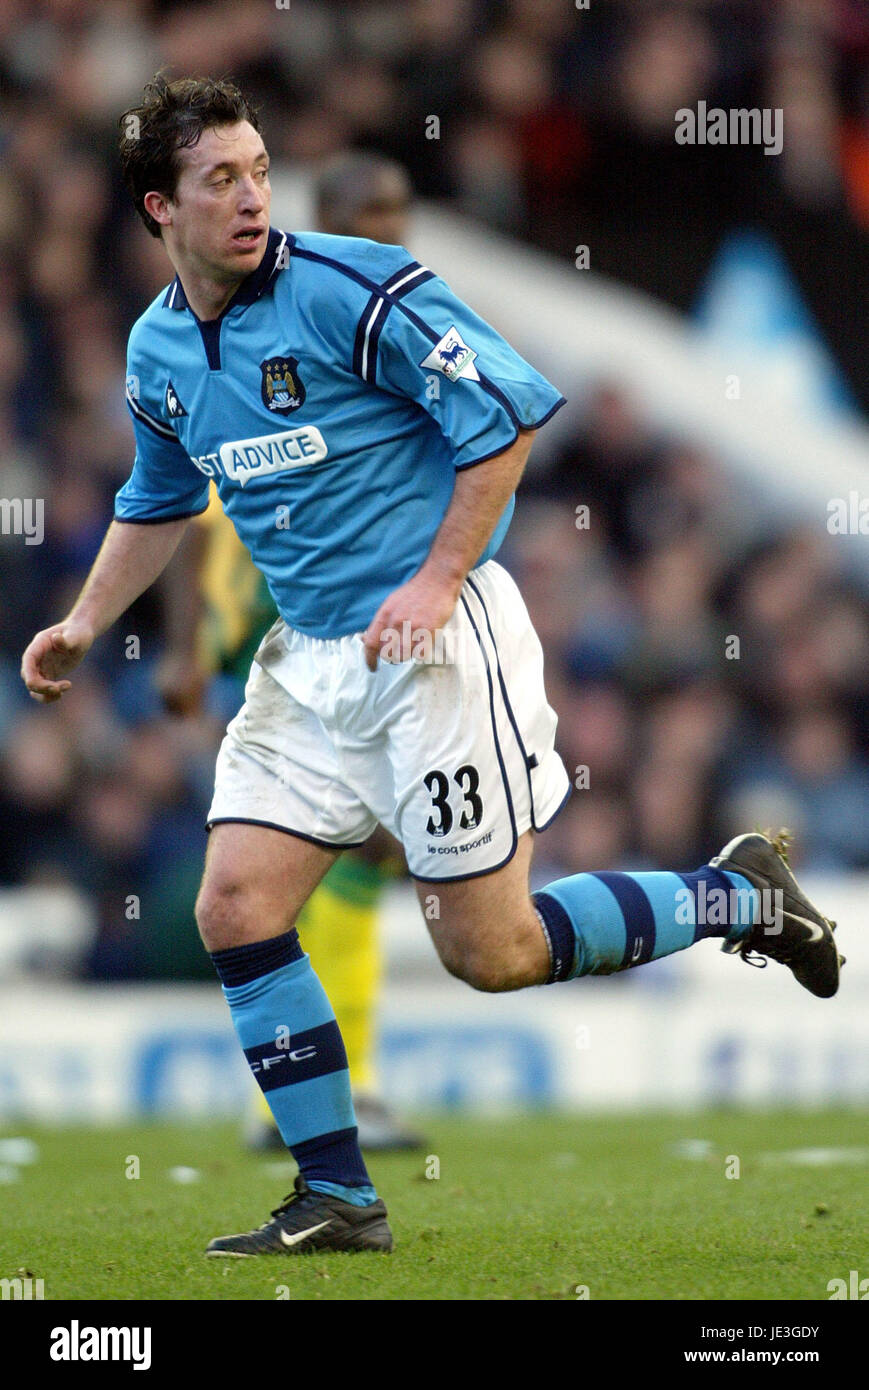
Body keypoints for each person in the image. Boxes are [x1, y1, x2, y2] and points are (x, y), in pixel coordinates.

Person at [22, 76, 842, 1259]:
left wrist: (436, 579)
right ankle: (338, 1194)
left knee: (489, 953)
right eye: (220, 180)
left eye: (258, 170)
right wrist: (87, 623)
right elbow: (156, 498)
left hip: (438, 648)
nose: (251, 196)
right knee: (234, 905)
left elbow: (502, 423)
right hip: (306, 662)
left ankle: (735, 894)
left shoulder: (351, 287)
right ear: (160, 205)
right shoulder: (157, 348)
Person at [156, 152, 424, 1155]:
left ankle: (318, 1090)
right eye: (374, 212)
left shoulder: (396, 313)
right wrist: (190, 644)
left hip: (363, 624)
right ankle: (312, 1091)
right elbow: (197, 491)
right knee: (322, 861)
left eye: (401, 211)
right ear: (330, 218)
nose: (391, 228)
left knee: (352, 862)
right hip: (280, 625)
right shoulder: (293, 311)